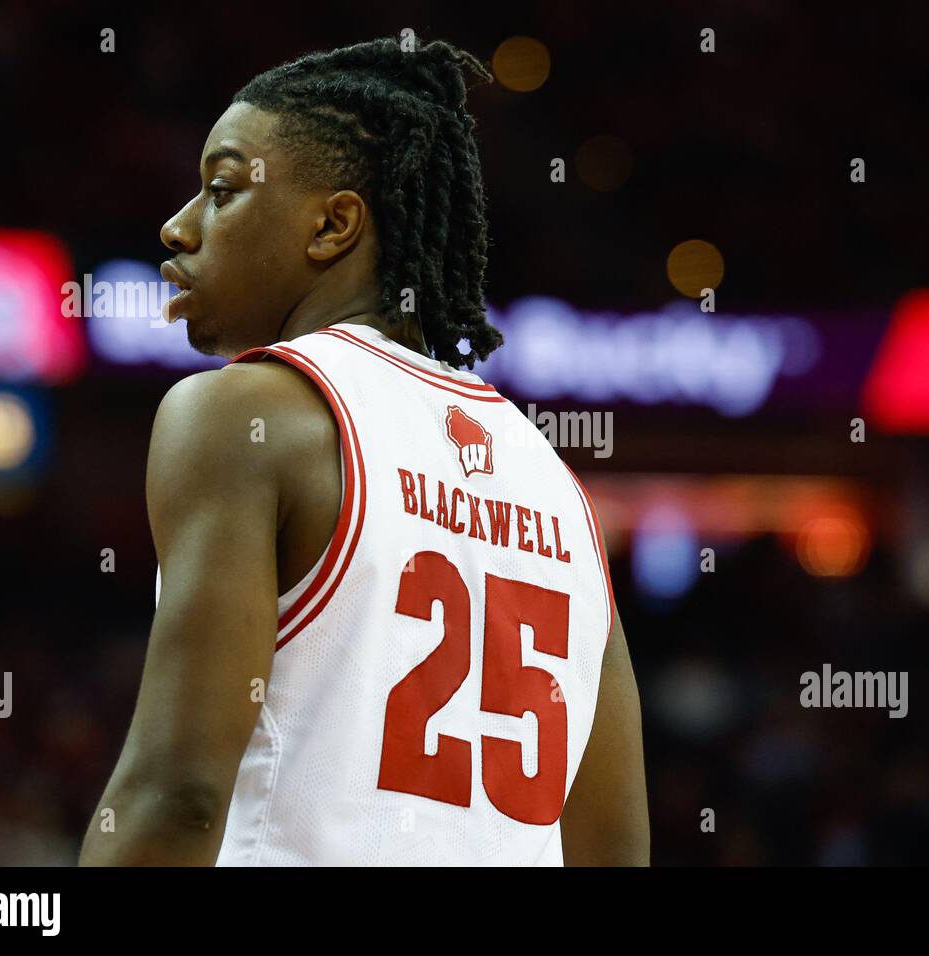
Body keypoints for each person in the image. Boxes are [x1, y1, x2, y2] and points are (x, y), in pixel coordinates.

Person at [79, 36, 649, 866]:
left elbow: (178, 793)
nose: (178, 226)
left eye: (223, 190)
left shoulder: (245, 413)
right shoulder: (557, 486)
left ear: (334, 224)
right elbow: (614, 849)